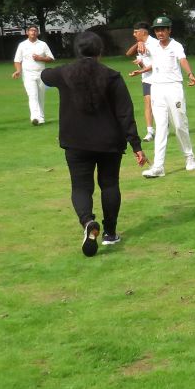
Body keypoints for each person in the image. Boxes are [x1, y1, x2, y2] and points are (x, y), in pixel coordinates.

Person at [42, 31, 146, 256]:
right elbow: (125, 113)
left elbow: (45, 75)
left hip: (75, 141)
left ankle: (88, 221)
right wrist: (136, 146)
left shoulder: (64, 73)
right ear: (100, 51)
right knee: (109, 185)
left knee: (81, 187)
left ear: (77, 51)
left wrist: (64, 68)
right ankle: (110, 233)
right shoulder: (112, 76)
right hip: (109, 142)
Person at [139, 15, 195, 177]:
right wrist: (139, 44)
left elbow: (183, 60)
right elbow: (144, 48)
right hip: (157, 89)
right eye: (157, 30)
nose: (159, 33)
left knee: (179, 124)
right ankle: (159, 167)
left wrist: (190, 74)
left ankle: (189, 156)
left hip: (174, 88)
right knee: (161, 128)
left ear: (169, 30)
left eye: (162, 29)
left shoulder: (176, 46)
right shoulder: (154, 46)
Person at [11, 24, 55, 125]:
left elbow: (51, 58)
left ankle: (41, 117)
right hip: (28, 74)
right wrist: (18, 70)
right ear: (27, 32)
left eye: (35, 31)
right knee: (32, 95)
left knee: (41, 96)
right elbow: (17, 60)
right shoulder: (22, 45)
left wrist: (40, 58)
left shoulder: (43, 44)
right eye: (31, 30)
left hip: (41, 74)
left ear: (37, 32)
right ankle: (34, 117)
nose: (33, 32)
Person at [124, 22, 156, 142]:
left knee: (158, 105)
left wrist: (140, 70)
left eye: (136, 32)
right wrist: (138, 43)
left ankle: (165, 125)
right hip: (147, 78)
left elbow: (157, 63)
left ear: (143, 32)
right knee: (148, 104)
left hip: (158, 78)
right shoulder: (140, 44)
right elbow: (128, 54)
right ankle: (150, 131)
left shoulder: (154, 44)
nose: (133, 34)